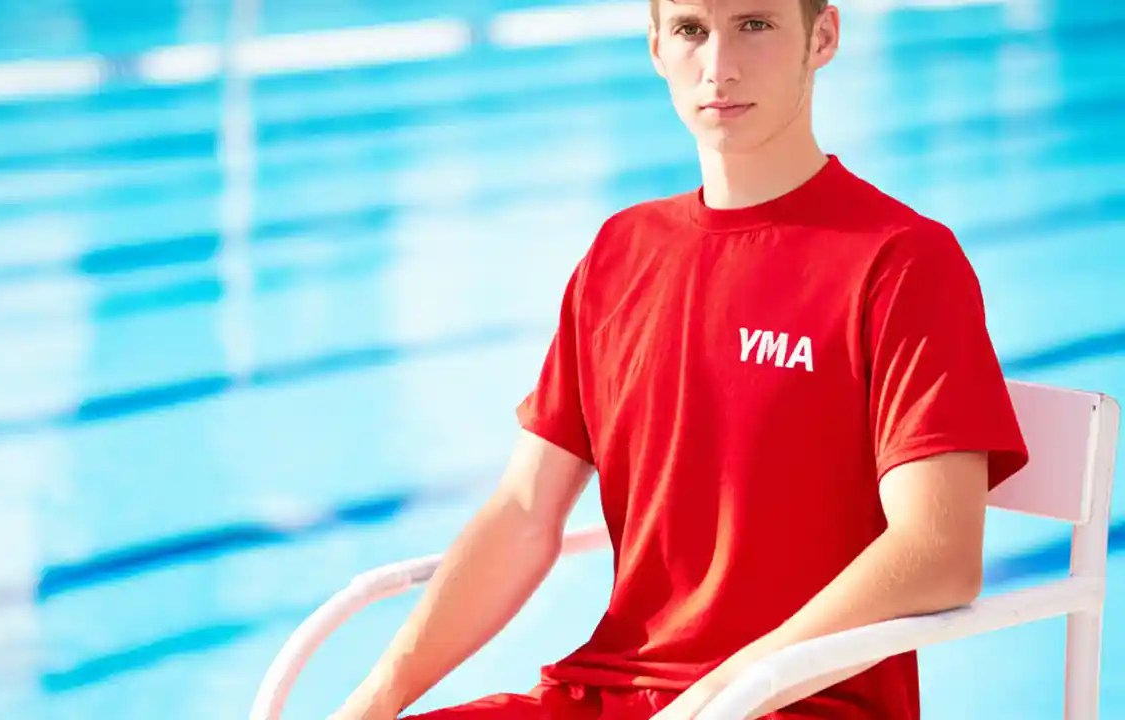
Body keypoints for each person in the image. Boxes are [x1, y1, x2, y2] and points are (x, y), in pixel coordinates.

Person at [329, 0, 1029, 717]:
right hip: (602, 696)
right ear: (657, 48)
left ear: (822, 37)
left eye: (754, 24)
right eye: (692, 30)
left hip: (794, 703)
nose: (718, 67)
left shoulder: (899, 261)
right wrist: (376, 698)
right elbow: (524, 511)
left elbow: (939, 551)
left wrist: (725, 692)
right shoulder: (620, 254)